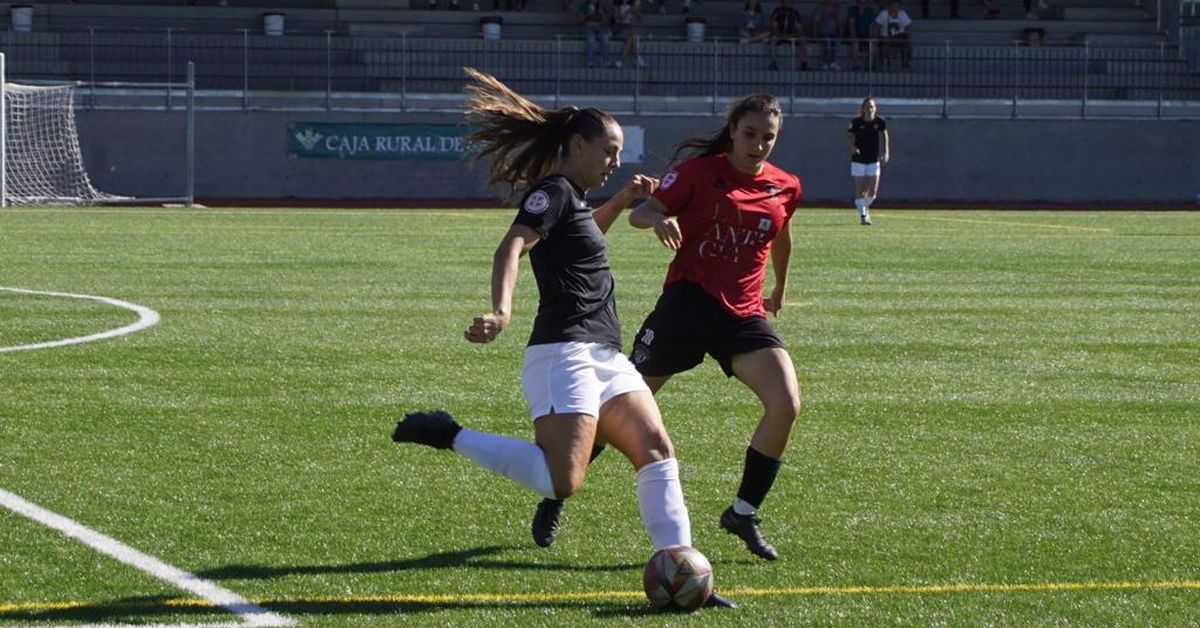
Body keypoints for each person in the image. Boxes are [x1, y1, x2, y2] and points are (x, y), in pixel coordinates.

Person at [392, 67, 734, 609]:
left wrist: (620, 201)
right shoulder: (550, 192)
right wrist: (501, 312)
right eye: (609, 151)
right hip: (563, 355)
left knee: (657, 450)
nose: (616, 161)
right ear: (578, 145)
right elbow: (511, 248)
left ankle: (683, 571)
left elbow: (580, 235)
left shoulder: (574, 200)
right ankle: (449, 433)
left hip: (606, 354)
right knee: (562, 482)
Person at [531, 93, 804, 562]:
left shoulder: (786, 185)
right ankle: (558, 490)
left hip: (742, 315)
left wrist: (779, 286)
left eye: (768, 137)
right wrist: (658, 219)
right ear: (733, 131)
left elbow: (780, 232)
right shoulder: (700, 173)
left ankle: (742, 512)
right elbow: (643, 211)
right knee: (617, 414)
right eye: (750, 134)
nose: (758, 145)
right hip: (687, 307)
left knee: (786, 403)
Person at [846, 97, 889, 225]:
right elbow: (849, 136)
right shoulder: (856, 122)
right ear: (863, 109)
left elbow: (885, 135)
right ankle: (864, 216)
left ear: (875, 109)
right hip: (858, 160)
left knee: (872, 191)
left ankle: (861, 205)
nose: (869, 109)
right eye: (867, 107)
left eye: (871, 107)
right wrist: (852, 147)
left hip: (873, 159)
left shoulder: (879, 122)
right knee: (860, 189)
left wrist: (886, 152)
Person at [767, 0, 808, 71]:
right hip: (779, 35)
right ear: (782, 2)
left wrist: (792, 35)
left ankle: (803, 63)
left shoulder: (795, 13)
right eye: (786, 2)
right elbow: (773, 28)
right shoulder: (777, 12)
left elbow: (800, 29)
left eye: (790, 2)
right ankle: (773, 63)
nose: (788, 3)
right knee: (773, 39)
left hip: (791, 36)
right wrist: (780, 35)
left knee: (802, 39)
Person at [873, 0, 912, 69]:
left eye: (896, 6)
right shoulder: (883, 14)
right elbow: (876, 26)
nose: (894, 8)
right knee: (884, 43)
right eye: (892, 6)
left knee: (907, 42)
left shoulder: (903, 14)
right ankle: (884, 62)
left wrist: (909, 38)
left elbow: (908, 27)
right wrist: (876, 38)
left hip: (899, 38)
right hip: (885, 38)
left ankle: (905, 62)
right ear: (889, 6)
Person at [575, 0, 612, 68]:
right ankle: (590, 62)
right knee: (591, 38)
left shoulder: (601, 6)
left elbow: (607, 22)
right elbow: (579, 22)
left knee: (604, 38)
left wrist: (602, 14)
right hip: (588, 26)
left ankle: (607, 61)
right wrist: (587, 15)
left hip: (600, 27)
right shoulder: (583, 6)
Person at [611, 0, 648, 68]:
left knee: (632, 37)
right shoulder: (616, 4)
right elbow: (621, 19)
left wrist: (636, 10)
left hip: (627, 27)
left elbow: (640, 19)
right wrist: (630, 10)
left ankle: (620, 61)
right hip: (617, 26)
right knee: (631, 35)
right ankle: (636, 57)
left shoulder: (631, 4)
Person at [810, 0, 844, 70]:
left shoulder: (838, 9)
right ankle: (826, 63)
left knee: (837, 42)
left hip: (834, 34)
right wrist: (815, 36)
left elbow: (840, 23)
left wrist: (841, 34)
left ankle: (833, 63)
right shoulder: (820, 8)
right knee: (827, 42)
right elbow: (815, 23)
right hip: (823, 33)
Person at [846, 0, 877, 70]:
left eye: (864, 3)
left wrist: (872, 37)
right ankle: (856, 65)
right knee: (855, 42)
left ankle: (870, 65)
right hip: (854, 34)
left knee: (873, 43)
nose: (862, 5)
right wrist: (854, 36)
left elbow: (871, 26)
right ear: (857, 3)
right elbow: (851, 25)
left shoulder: (870, 11)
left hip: (865, 34)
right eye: (860, 3)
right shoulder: (852, 10)